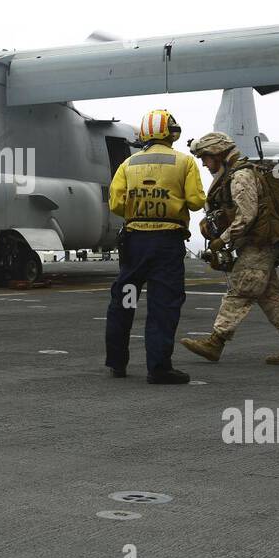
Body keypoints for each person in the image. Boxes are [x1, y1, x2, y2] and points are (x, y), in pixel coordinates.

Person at [181, 133, 279, 365]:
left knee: (240, 290)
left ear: (219, 153)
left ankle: (215, 342)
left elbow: (246, 216)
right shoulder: (236, 173)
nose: (204, 163)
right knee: (271, 296)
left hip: (257, 245)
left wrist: (223, 239)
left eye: (206, 157)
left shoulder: (241, 175)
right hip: (260, 244)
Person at [103, 109, 205, 384]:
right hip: (167, 243)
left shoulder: (128, 164)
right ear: (171, 132)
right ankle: (158, 368)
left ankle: (116, 363)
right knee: (163, 305)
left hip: (135, 243)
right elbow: (196, 202)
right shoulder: (184, 162)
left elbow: (116, 205)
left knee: (124, 300)